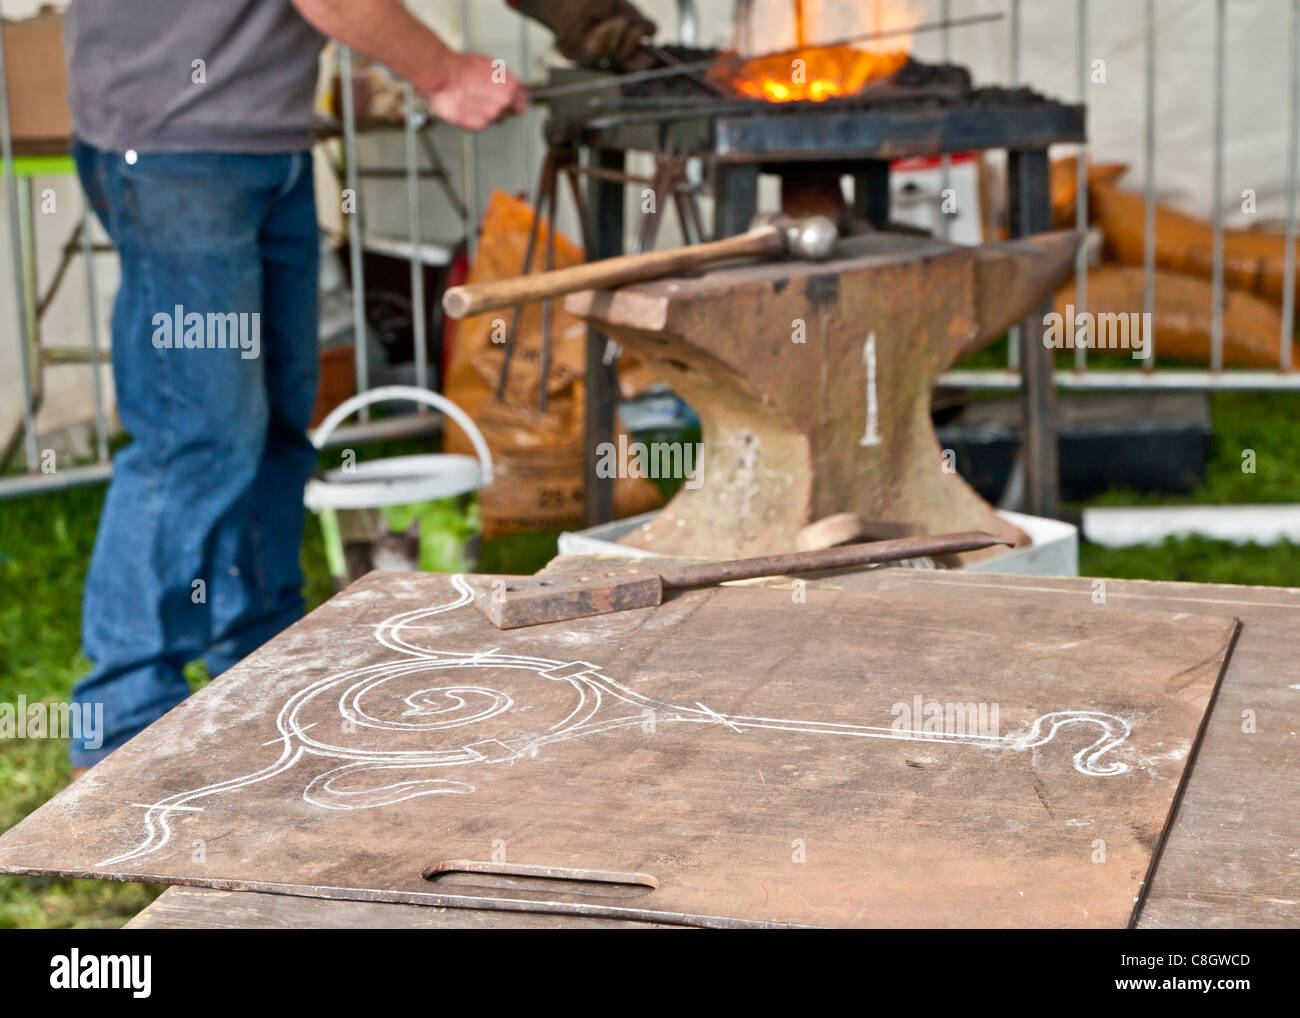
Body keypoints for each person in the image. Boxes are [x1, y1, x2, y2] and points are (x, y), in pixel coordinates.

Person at [66, 0, 655, 771]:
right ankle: (122, 727)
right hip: (174, 143)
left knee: (275, 423)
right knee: (198, 434)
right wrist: (444, 73)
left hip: (260, 140)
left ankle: (260, 664)